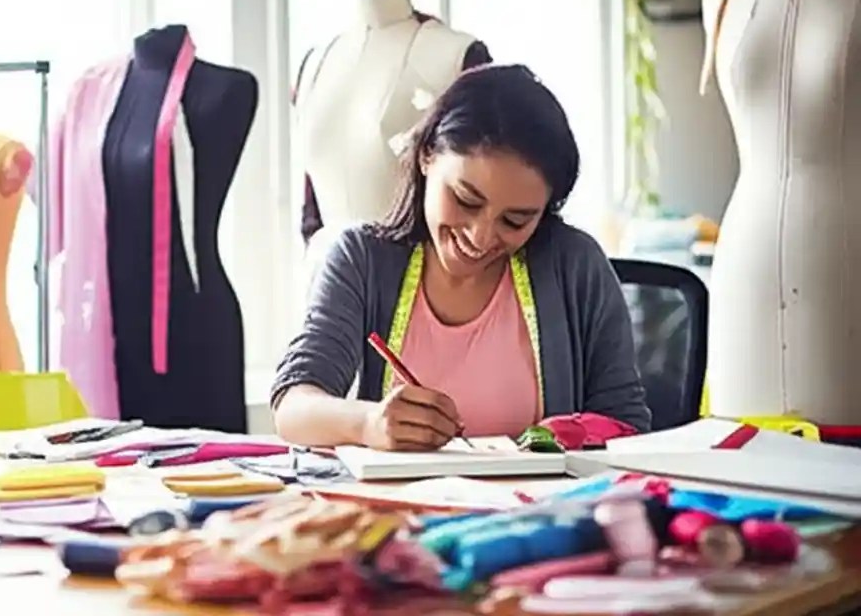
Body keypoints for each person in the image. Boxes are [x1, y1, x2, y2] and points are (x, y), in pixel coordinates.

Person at [271, 64, 650, 451]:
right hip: (400, 509)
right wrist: (368, 423)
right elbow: (294, 406)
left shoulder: (576, 266)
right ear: (427, 157)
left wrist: (571, 435)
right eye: (466, 200)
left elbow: (625, 423)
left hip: (541, 508)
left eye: (515, 220)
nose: (480, 236)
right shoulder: (361, 261)